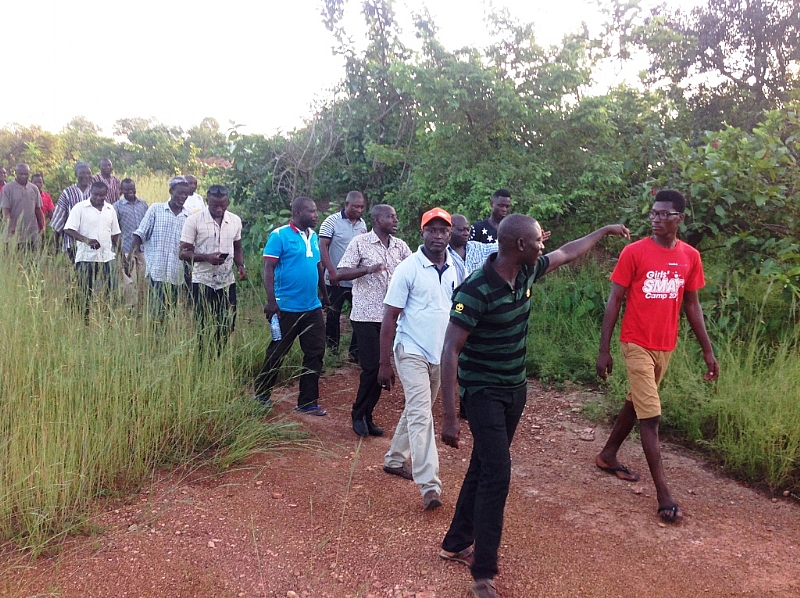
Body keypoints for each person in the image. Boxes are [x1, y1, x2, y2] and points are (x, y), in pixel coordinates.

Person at [438, 214, 630, 598]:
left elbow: (568, 252)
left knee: (485, 464)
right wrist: (449, 415)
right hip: (483, 393)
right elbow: (449, 351)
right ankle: (484, 573)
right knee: (499, 473)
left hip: (515, 388)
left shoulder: (527, 271)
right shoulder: (475, 289)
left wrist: (603, 230)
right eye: (537, 241)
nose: (543, 245)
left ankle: (456, 541)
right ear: (519, 246)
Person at [595, 189, 719, 524]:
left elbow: (692, 304)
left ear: (680, 218)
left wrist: (708, 350)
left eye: (665, 214)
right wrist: (604, 349)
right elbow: (614, 301)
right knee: (651, 416)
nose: (656, 219)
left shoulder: (690, 256)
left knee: (636, 402)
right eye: (653, 213)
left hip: (666, 345)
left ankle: (608, 455)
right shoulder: (634, 252)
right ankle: (664, 493)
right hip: (635, 342)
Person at [378, 207, 458, 511]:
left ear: (449, 235)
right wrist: (385, 363)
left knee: (417, 407)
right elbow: (389, 317)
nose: (437, 236)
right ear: (421, 233)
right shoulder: (408, 268)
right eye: (432, 230)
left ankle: (395, 458)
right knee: (423, 414)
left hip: (441, 354)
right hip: (410, 350)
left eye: (443, 231)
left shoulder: (455, 267)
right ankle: (430, 486)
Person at [336, 204, 411, 438]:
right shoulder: (360, 243)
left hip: (391, 318)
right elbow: (341, 272)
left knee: (382, 371)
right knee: (371, 368)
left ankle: (368, 416)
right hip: (366, 316)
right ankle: (358, 414)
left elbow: (412, 272)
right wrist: (367, 269)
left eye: (395, 216)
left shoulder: (400, 246)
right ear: (377, 219)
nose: (395, 220)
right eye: (391, 216)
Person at [254, 196, 330, 414]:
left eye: (316, 211)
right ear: (297, 213)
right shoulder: (279, 235)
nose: (316, 215)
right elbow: (268, 268)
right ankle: (261, 394)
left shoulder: (313, 236)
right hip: (286, 307)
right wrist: (271, 302)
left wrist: (324, 296)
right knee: (277, 352)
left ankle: (307, 402)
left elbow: (317, 267)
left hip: (312, 307)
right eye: (311, 211)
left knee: (315, 353)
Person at [179, 185, 245, 350]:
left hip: (226, 280)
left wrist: (240, 265)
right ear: (207, 201)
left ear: (228, 201)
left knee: (228, 323)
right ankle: (202, 358)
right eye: (215, 205)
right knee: (202, 324)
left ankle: (219, 355)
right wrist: (206, 258)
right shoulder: (193, 220)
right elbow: (182, 253)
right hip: (202, 280)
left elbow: (237, 247)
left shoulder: (235, 220)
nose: (219, 208)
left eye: (223, 205)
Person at [130, 176, 192, 316]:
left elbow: (190, 247)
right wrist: (130, 257)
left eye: (185, 194)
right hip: (157, 271)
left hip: (177, 273)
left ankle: (166, 337)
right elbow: (139, 234)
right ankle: (154, 337)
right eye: (180, 193)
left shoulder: (189, 216)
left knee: (171, 312)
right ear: (171, 191)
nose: (183, 196)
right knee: (156, 312)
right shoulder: (156, 209)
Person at [319, 190, 368, 360]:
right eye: (355, 206)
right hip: (335, 279)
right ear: (346, 205)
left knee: (360, 315)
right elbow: (323, 246)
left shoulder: (363, 225)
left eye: (361, 207)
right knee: (333, 315)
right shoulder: (331, 221)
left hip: (355, 280)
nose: (359, 210)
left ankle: (355, 352)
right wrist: (331, 271)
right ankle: (332, 352)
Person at [63, 181, 121, 320]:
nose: (98, 198)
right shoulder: (80, 208)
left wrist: (122, 258)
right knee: (84, 291)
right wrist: (87, 240)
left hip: (107, 257)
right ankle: (84, 320)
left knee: (111, 291)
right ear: (91, 193)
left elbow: (115, 235)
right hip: (86, 258)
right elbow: (68, 229)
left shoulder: (110, 209)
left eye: (102, 195)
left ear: (106, 195)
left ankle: (108, 321)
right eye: (95, 195)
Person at [114, 179, 149, 309]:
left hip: (143, 249)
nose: (131, 191)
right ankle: (130, 307)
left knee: (144, 278)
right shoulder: (116, 207)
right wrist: (121, 253)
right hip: (126, 249)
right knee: (128, 280)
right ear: (121, 190)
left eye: (133, 188)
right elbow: (114, 230)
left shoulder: (143, 205)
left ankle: (142, 306)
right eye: (127, 189)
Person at [51, 162, 93, 261]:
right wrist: (56, 245)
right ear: (76, 175)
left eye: (88, 173)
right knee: (76, 272)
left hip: (94, 242)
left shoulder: (96, 191)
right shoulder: (68, 192)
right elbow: (59, 219)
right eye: (82, 173)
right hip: (72, 242)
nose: (86, 176)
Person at [0, 163, 44, 249]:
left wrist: (42, 228)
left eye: (26, 174)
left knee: (32, 260)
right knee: (15, 260)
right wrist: (12, 227)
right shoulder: (8, 188)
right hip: (14, 235)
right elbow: (5, 211)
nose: (24, 176)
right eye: (21, 174)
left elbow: (38, 210)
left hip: (31, 233)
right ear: (15, 173)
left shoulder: (34, 188)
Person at [448, 214, 498, 283]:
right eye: (461, 230)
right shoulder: (443, 252)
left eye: (468, 230)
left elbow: (499, 247)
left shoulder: (477, 248)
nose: (466, 233)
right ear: (450, 230)